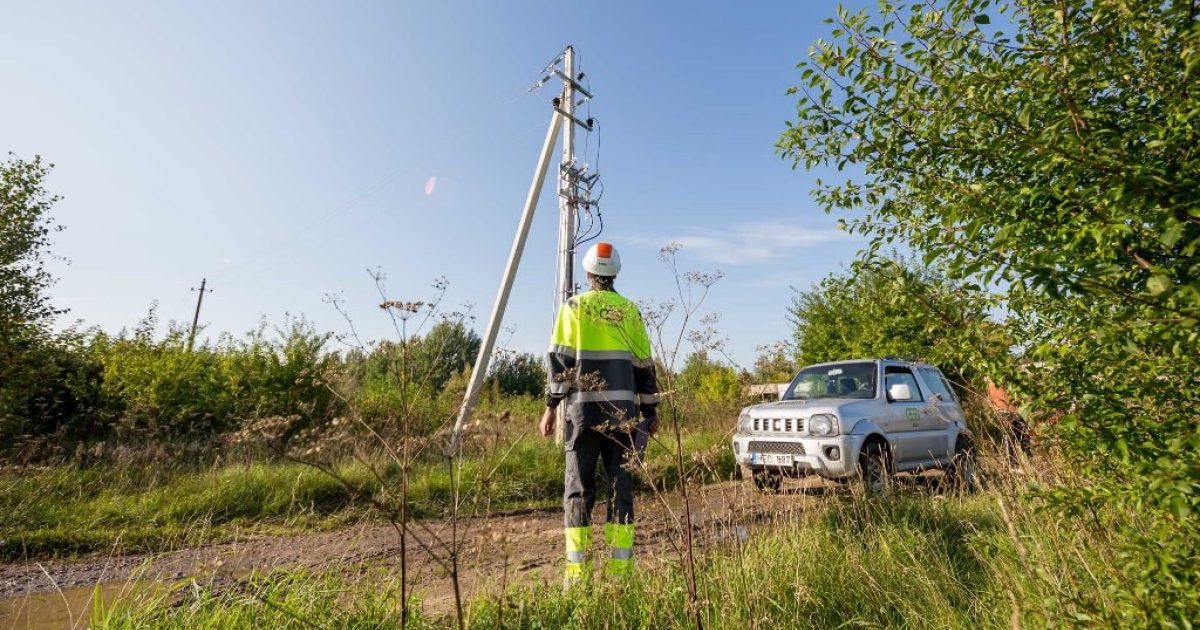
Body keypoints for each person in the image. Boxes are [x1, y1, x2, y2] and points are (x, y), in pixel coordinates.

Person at [540, 242, 660, 585]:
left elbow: (560, 362)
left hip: (581, 416)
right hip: (624, 417)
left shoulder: (574, 307)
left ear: (589, 273)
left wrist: (550, 407)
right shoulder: (630, 311)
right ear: (615, 273)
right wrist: (650, 412)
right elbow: (644, 367)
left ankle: (576, 579)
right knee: (620, 488)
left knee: (578, 490)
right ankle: (621, 577)